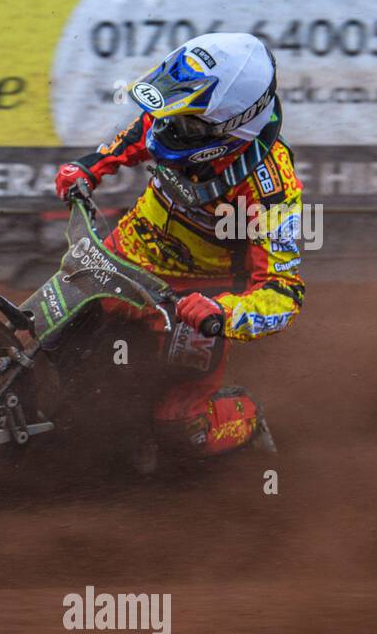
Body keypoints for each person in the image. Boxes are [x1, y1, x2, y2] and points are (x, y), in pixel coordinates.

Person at [54, 32, 304, 459]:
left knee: (179, 426)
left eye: (186, 123)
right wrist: (89, 167)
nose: (168, 127)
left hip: (190, 304)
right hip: (124, 253)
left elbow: (284, 293)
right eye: (170, 115)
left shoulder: (271, 189)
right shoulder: (177, 118)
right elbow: (140, 132)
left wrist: (221, 311)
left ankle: (244, 416)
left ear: (228, 126)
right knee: (52, 336)